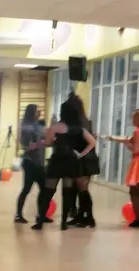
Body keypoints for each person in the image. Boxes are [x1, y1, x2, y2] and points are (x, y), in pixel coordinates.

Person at [32, 98, 97, 231]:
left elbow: (48, 142)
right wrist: (81, 154)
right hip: (71, 162)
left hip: (56, 162)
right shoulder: (79, 129)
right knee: (67, 192)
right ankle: (63, 223)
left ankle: (40, 221)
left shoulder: (56, 127)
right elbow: (92, 142)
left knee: (48, 191)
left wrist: (54, 140)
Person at [65, 93, 100, 227]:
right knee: (81, 190)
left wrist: (80, 154)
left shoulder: (79, 123)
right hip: (87, 159)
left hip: (85, 160)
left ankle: (89, 218)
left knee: (83, 190)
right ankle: (81, 216)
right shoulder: (85, 121)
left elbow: (90, 142)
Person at [14, 104, 50, 224]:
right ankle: (18, 215)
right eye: (37, 111)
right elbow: (27, 146)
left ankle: (41, 215)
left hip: (38, 162)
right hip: (30, 163)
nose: (39, 112)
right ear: (32, 113)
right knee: (26, 189)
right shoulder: (27, 127)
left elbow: (45, 137)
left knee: (44, 189)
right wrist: (41, 143)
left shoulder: (37, 126)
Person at [107, 109, 139, 227]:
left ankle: (138, 219)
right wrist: (113, 138)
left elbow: (135, 149)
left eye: (134, 117)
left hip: (137, 163)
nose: (132, 120)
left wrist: (127, 145)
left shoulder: (137, 131)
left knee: (135, 192)